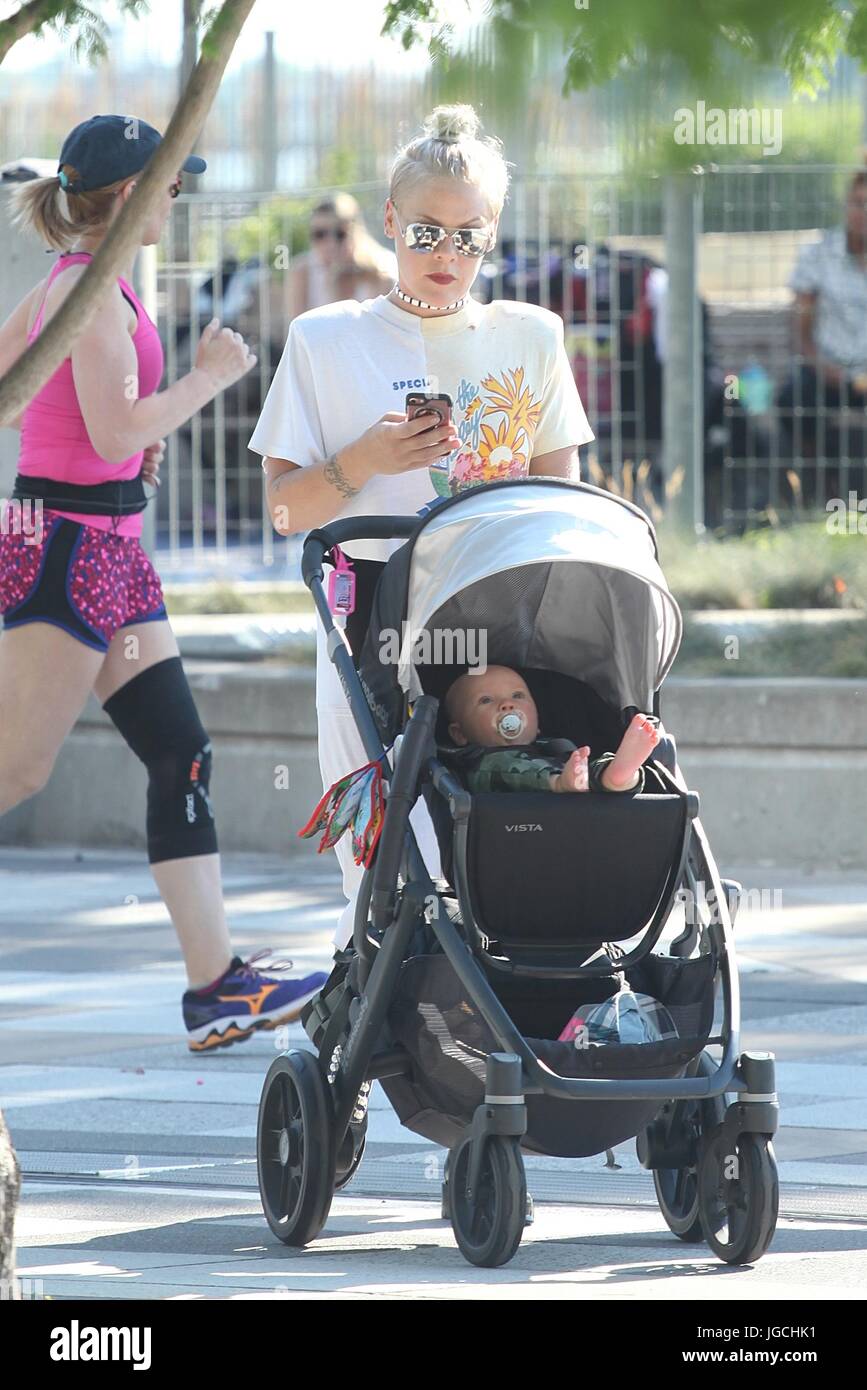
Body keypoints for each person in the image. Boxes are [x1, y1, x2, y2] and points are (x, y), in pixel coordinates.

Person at [0, 114, 326, 1050]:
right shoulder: (85, 292)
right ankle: (215, 980)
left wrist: (109, 457)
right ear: (131, 193)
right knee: (18, 768)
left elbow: (54, 405)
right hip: (62, 546)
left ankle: (215, 985)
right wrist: (211, 378)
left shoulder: (93, 289)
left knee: (180, 751)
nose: (177, 197)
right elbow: (113, 428)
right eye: (170, 183)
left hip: (109, 546)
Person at [249, 102, 595, 955]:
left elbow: (566, 505)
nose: (447, 256)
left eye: (469, 236)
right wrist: (365, 457)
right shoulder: (327, 340)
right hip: (371, 620)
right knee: (381, 862)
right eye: (428, 233)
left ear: (494, 231)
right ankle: (367, 1028)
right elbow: (287, 510)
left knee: (507, 825)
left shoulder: (530, 334)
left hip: (504, 616)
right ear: (391, 221)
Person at [776, 169, 867, 486]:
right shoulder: (818, 253)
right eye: (858, 203)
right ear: (846, 205)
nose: (863, 212)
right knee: (793, 400)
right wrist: (821, 365)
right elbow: (801, 329)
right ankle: (814, 483)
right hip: (828, 374)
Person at [443, 665, 660, 796]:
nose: (507, 705)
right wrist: (560, 781)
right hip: (512, 805)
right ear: (459, 734)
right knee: (510, 768)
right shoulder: (481, 765)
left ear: (537, 724)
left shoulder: (554, 746)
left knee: (587, 763)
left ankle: (619, 774)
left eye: (517, 696)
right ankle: (565, 782)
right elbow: (517, 773)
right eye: (486, 700)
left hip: (580, 796)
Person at [284, 193, 397, 320]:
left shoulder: (382, 268)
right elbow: (297, 330)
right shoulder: (302, 272)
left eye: (339, 234)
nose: (330, 243)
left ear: (356, 231)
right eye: (319, 234)